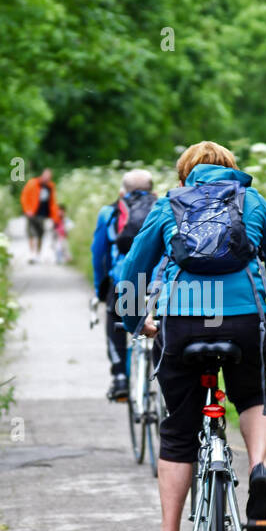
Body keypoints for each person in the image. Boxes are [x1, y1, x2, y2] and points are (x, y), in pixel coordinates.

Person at [117, 140, 266, 531]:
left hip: (182, 326)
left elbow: (133, 270)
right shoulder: (252, 202)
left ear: (185, 176)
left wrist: (134, 320)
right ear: (233, 170)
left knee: (179, 430)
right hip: (244, 323)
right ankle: (259, 466)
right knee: (254, 395)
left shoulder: (168, 206)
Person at [91, 169, 156, 401]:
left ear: (122, 192)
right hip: (159, 284)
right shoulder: (165, 207)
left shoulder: (109, 212)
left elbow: (99, 255)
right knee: (163, 325)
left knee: (115, 321)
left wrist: (101, 288)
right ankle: (166, 375)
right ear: (153, 191)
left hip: (124, 283)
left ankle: (119, 377)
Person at [21, 168, 60, 263]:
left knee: (40, 234)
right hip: (31, 213)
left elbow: (52, 203)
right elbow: (24, 197)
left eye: (49, 177)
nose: (47, 178)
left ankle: (38, 254)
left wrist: (55, 217)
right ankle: (31, 254)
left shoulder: (50, 187)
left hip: (43, 214)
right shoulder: (32, 183)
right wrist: (27, 210)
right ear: (42, 175)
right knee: (31, 233)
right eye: (46, 176)